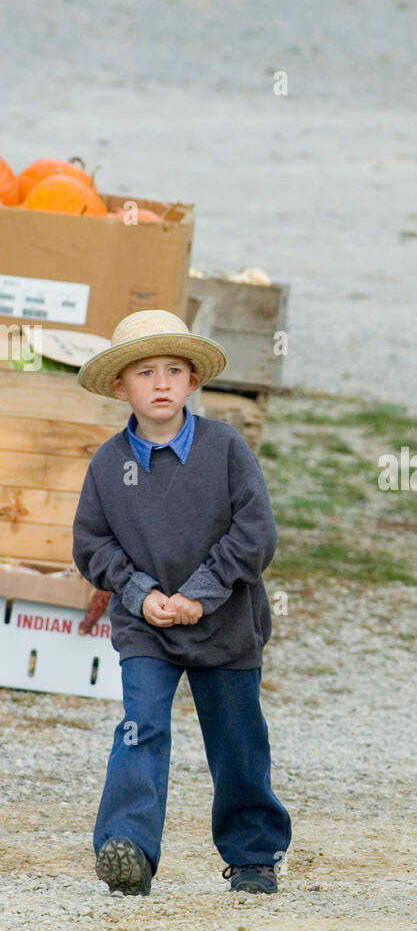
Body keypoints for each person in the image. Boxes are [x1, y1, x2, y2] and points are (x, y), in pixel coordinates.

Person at [72, 310, 291, 896]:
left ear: (194, 380)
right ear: (122, 387)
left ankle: (253, 855)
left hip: (226, 624)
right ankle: (130, 850)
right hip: (146, 630)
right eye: (145, 372)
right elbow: (92, 545)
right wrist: (142, 596)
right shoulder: (107, 466)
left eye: (174, 369)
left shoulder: (225, 449)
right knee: (141, 728)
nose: (161, 383)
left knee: (238, 738)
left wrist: (199, 595)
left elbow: (255, 533)